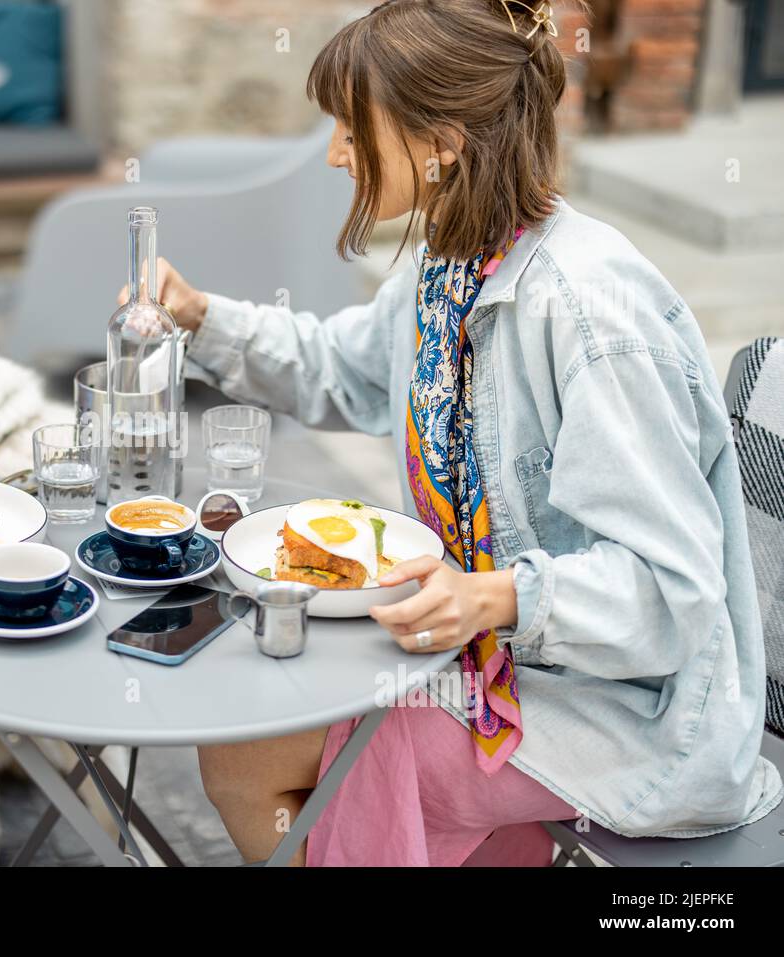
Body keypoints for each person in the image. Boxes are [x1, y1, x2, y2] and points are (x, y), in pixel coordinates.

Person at [123, 0, 782, 865]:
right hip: (495, 659)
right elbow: (340, 367)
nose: (335, 154)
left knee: (251, 745)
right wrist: (199, 316)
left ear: (442, 143)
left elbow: (669, 596)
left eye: (353, 130)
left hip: (628, 715)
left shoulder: (591, 310)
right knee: (265, 695)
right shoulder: (454, 262)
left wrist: (494, 597)